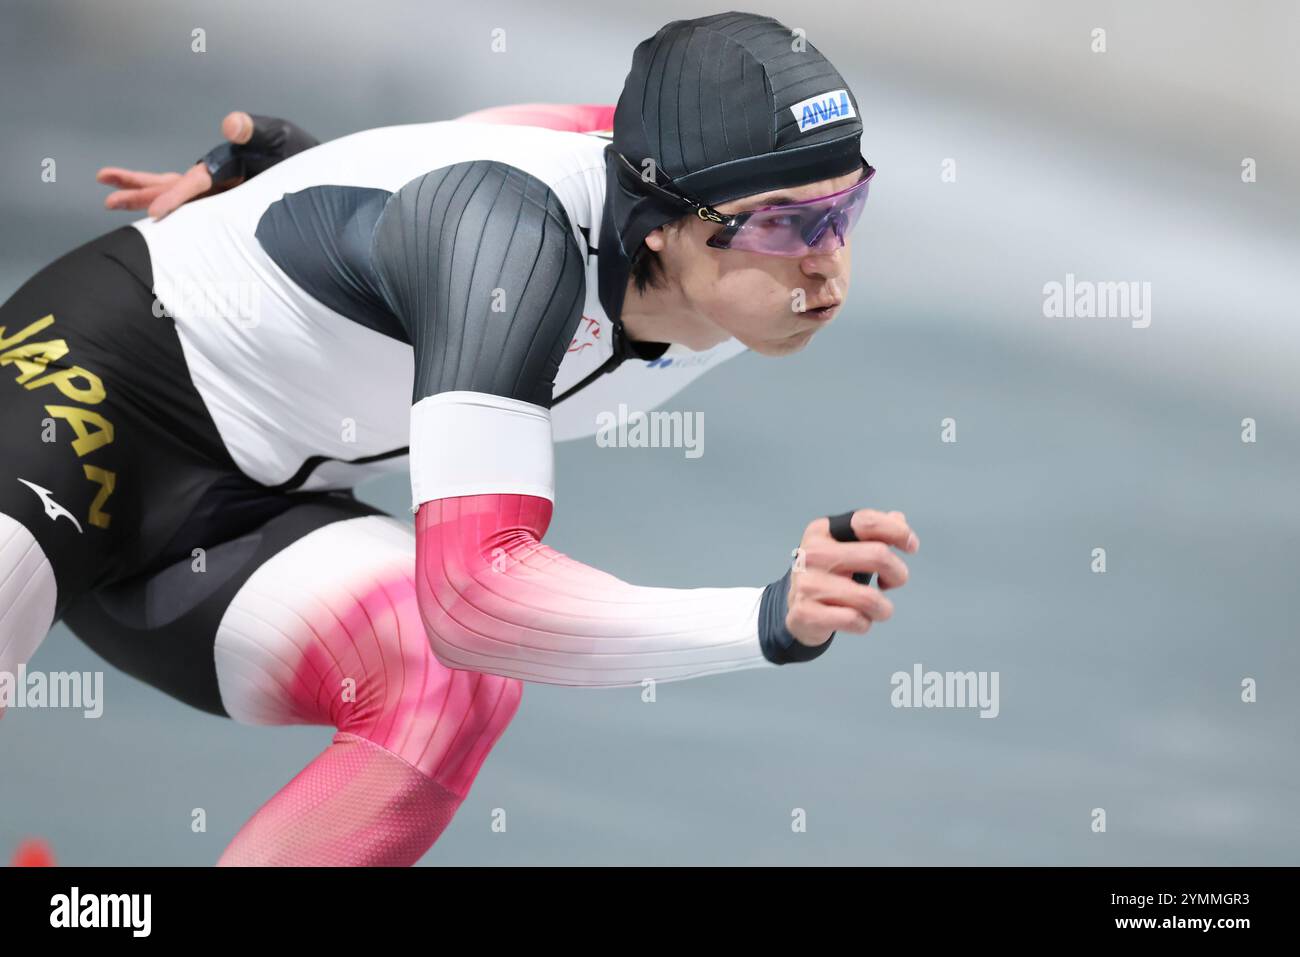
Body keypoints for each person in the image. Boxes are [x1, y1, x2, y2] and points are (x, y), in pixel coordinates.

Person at [0, 12, 918, 866]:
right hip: (83, 393)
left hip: (249, 509)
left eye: (847, 209)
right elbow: (477, 596)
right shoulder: (510, 245)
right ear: (663, 228)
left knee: (445, 690)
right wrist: (765, 619)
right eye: (787, 223)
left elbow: (495, 141)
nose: (827, 261)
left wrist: (316, 185)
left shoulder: (703, 199)